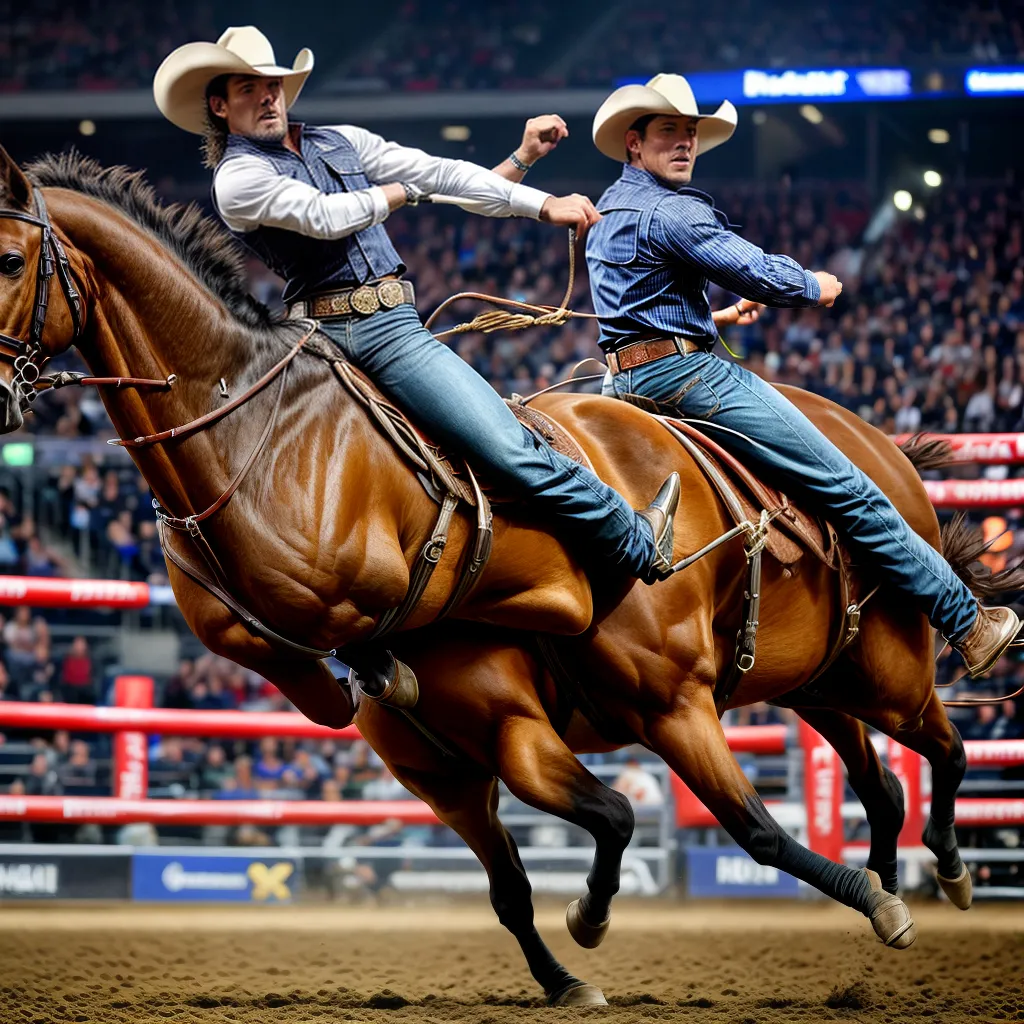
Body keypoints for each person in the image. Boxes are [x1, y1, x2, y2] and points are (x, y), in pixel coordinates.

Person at [151, 27, 679, 618]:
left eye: (274, 85)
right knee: (270, 480)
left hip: (385, 327)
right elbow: (326, 217)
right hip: (320, 341)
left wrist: (538, 197)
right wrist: (408, 190)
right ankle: (631, 534)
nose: (268, 98)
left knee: (502, 444)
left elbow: (444, 171)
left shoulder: (340, 141)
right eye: (250, 88)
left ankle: (623, 537)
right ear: (220, 106)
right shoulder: (236, 178)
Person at [585, 73, 1020, 678]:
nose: (684, 143)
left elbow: (632, 314)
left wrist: (709, 315)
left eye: (690, 133)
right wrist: (816, 284)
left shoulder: (606, 207)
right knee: (849, 487)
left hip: (621, 385)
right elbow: (757, 271)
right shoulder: (673, 210)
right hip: (685, 378)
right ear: (634, 142)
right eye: (669, 132)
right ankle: (966, 621)